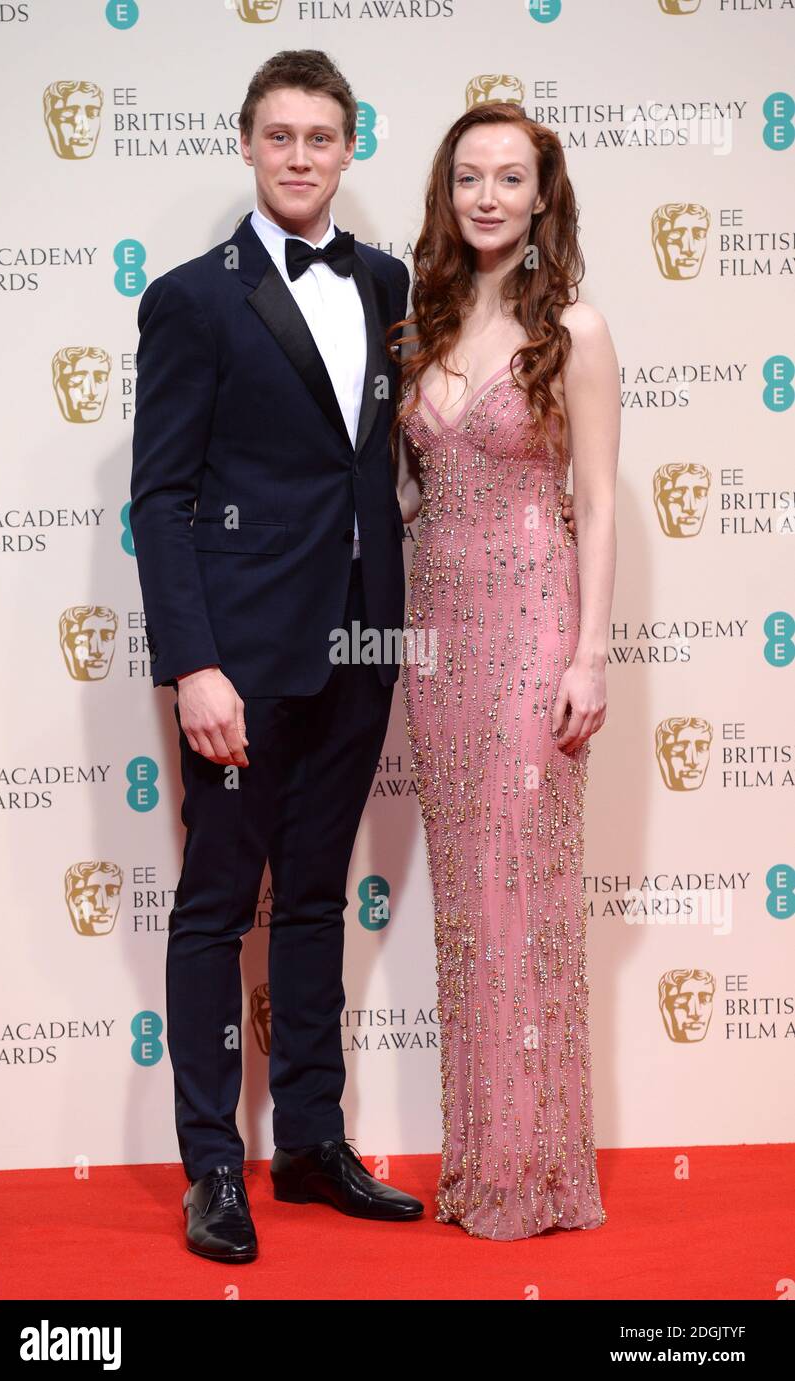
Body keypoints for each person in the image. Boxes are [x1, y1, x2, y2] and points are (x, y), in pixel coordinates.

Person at [129, 49, 427, 1263]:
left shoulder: (392, 281)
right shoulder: (197, 298)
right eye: (281, 136)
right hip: (242, 660)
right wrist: (194, 665)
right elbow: (161, 500)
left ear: (350, 149)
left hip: (364, 640)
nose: (302, 157)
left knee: (314, 899)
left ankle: (309, 1137)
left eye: (323, 137)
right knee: (215, 911)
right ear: (247, 145)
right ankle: (213, 1165)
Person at [393, 103, 619, 1240]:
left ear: (542, 197)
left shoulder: (573, 327)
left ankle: (536, 1173)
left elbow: (601, 503)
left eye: (510, 177)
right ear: (451, 193)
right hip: (436, 642)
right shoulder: (420, 326)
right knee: (470, 913)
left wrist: (590, 651)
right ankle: (481, 1163)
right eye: (469, 176)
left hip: (536, 629)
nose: (488, 195)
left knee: (522, 896)